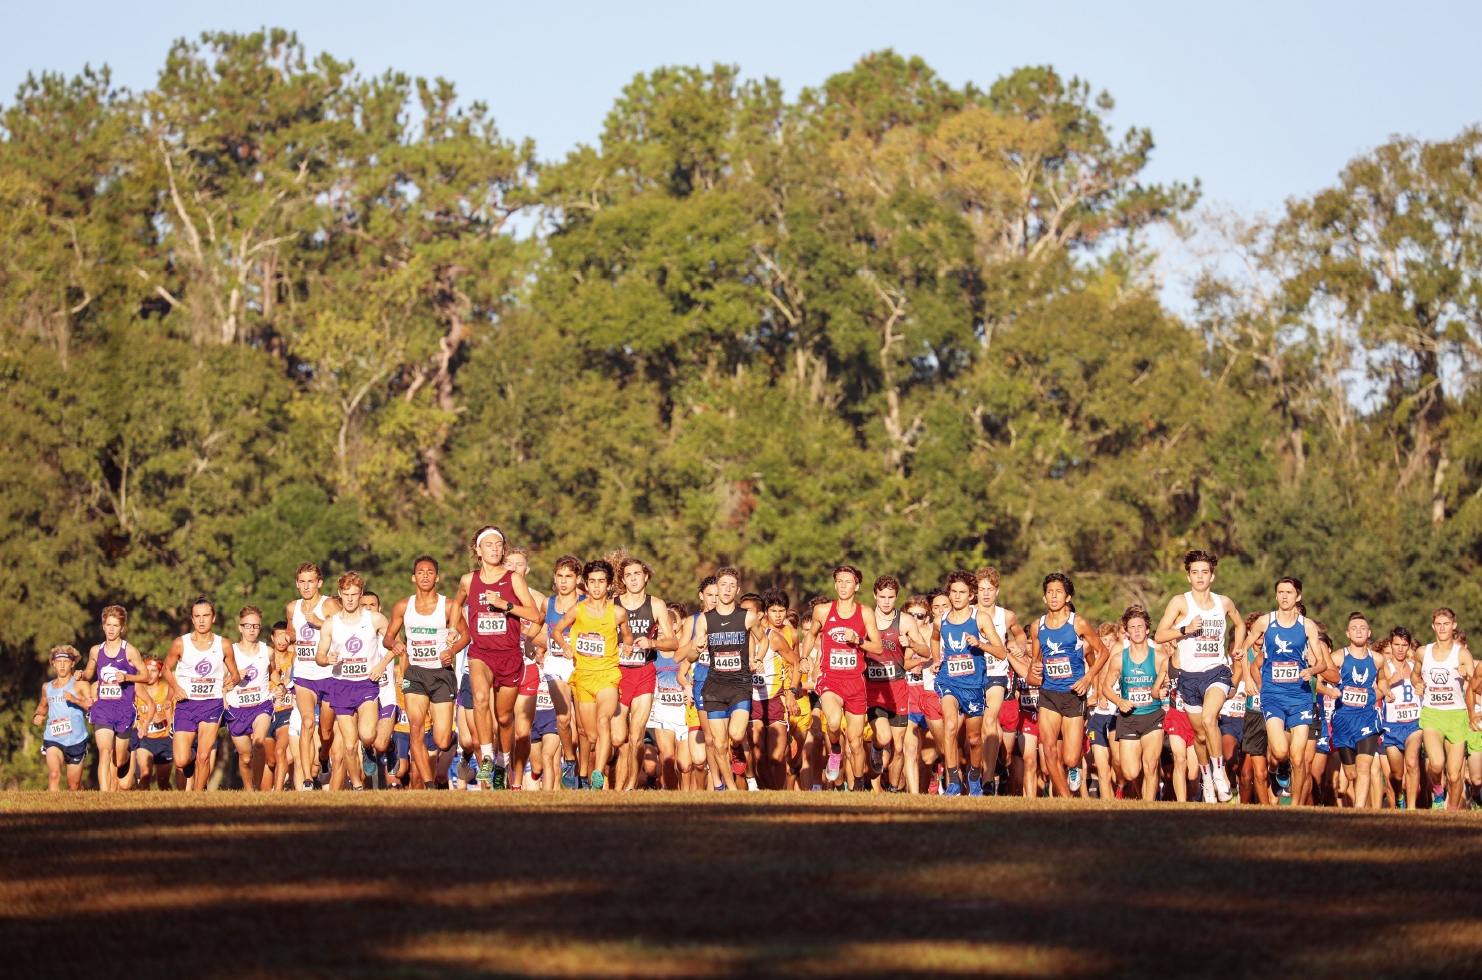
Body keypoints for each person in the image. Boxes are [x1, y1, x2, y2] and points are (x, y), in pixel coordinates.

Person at [453, 526, 542, 790]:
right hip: (480, 653)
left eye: (498, 545)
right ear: (477, 551)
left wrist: (507, 606)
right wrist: (454, 630)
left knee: (504, 718)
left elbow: (536, 615)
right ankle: (488, 756)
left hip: (510, 655)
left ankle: (503, 762)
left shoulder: (513, 579)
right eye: (488, 545)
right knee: (480, 698)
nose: (494, 549)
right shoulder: (468, 580)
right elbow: (456, 604)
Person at [1153, 550, 1246, 803]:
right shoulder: (1180, 602)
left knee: (1209, 717)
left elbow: (1240, 624)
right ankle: (1206, 779)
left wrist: (1238, 649)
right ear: (1189, 577)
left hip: (1216, 671)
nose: (1200, 577)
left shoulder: (1223, 602)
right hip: (1189, 677)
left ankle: (1219, 775)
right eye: (1195, 573)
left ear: (1212, 576)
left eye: (1204, 572)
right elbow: (1159, 635)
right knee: (1201, 736)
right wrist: (1184, 629)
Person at [382, 556, 468, 790]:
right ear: (414, 577)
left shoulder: (448, 606)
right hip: (415, 674)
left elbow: (466, 636)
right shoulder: (403, 606)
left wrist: (451, 650)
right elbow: (388, 637)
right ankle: (428, 783)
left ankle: (461, 745)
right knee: (416, 727)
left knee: (441, 739)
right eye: (421, 572)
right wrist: (395, 645)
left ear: (437, 577)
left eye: (430, 572)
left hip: (441, 674)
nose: (425, 576)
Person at [551, 559, 634, 790]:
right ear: (586, 584)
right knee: (590, 734)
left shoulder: (617, 613)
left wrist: (627, 644)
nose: (597, 586)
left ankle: (597, 774)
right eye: (592, 582)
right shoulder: (577, 610)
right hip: (583, 677)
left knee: (604, 720)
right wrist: (566, 646)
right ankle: (608, 757)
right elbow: (557, 631)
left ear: (608, 585)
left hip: (608, 675)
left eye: (601, 582)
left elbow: (627, 636)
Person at [1245, 578, 1329, 808]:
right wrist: (1246, 678)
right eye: (1280, 592)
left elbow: (1323, 664)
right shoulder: (1265, 622)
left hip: (1300, 697)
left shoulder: (1307, 626)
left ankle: (1296, 806)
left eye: (1289, 592)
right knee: (1281, 751)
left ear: (1297, 596)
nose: (1284, 596)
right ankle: (1282, 766)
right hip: (1272, 695)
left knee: (1299, 756)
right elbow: (1243, 649)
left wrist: (1311, 669)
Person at [1027, 573, 1108, 799]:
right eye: (1050, 592)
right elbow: (1036, 661)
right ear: (1044, 597)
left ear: (1068, 596)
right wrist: (1035, 668)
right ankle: (1065, 799)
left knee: (1071, 757)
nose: (1054, 596)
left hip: (1073, 694)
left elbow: (1103, 652)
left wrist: (1088, 677)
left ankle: (1074, 768)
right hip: (1049, 694)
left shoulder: (1078, 623)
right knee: (1049, 750)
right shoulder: (1037, 626)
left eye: (1059, 592)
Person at [933, 570, 1008, 796]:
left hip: (974, 686)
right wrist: (937, 659)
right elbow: (935, 637)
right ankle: (953, 779)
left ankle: (974, 775)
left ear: (971, 595)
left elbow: (1001, 652)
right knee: (950, 726)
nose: (957, 597)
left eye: (962, 592)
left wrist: (980, 644)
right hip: (949, 682)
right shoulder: (941, 620)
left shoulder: (980, 619)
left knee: (974, 739)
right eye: (953, 592)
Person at [316, 572, 392, 791]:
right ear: (339, 594)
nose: (350, 599)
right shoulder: (331, 624)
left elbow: (396, 645)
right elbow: (319, 655)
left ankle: (368, 748)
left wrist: (381, 664)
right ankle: (358, 787)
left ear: (360, 594)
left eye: (354, 594)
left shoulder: (375, 619)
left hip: (366, 684)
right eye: (346, 594)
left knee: (367, 735)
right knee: (349, 744)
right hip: (340, 685)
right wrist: (325, 659)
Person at [811, 565, 884, 791]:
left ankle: (858, 786)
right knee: (832, 721)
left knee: (856, 741)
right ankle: (834, 750)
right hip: (831, 678)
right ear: (835, 584)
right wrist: (805, 657)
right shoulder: (823, 611)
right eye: (839, 581)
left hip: (855, 681)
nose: (843, 586)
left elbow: (878, 648)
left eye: (848, 581)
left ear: (857, 586)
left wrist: (858, 641)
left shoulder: (865, 613)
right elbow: (811, 634)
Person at [691, 567, 763, 791]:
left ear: (737, 590)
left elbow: (764, 640)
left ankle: (738, 747)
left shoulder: (747, 617)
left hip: (740, 684)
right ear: (717, 587)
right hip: (714, 686)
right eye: (724, 585)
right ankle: (731, 788)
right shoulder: (704, 620)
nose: (727, 589)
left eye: (732, 586)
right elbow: (692, 655)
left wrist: (757, 658)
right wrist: (697, 647)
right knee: (718, 743)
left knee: (736, 734)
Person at [613, 557, 677, 791]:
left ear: (646, 576)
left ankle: (629, 785)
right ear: (623, 579)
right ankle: (618, 783)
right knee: (619, 738)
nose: (633, 579)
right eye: (628, 575)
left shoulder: (657, 605)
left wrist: (651, 643)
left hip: (644, 673)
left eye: (637, 574)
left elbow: (673, 642)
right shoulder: (613, 604)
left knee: (637, 733)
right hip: (618, 674)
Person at [164, 597, 238, 792]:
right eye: (197, 616)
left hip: (211, 704)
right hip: (186, 704)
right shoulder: (181, 643)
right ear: (192, 619)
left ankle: (198, 797)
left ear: (213, 618)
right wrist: (176, 687)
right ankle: (190, 762)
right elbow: (165, 669)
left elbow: (235, 674)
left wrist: (233, 681)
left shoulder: (224, 644)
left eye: (206, 615)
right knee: (180, 760)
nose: (202, 620)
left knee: (205, 756)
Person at [1320, 612, 1390, 809]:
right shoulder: (1339, 657)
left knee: (1364, 766)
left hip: (1367, 718)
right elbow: (1320, 678)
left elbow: (1382, 680)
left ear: (1369, 633)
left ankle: (1359, 811)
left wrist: (1382, 692)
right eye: (1354, 628)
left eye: (1362, 628)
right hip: (1342, 720)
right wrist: (1328, 690)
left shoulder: (1377, 660)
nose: (1358, 631)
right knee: (1351, 774)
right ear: (1348, 634)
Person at [1102, 605, 1169, 802]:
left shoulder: (1159, 657)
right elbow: (1106, 687)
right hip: (1129, 717)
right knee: (1131, 772)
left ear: (1147, 629)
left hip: (1152, 715)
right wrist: (1119, 701)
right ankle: (1143, 796)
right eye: (1133, 627)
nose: (1137, 631)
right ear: (1127, 631)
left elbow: (1170, 683)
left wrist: (1163, 690)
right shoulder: (1118, 659)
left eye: (1141, 626)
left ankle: (1149, 806)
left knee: (1150, 764)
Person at [80, 605, 147, 792]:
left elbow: (146, 676)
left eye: (115, 625)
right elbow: (89, 672)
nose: (111, 629)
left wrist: (127, 677)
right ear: (103, 626)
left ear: (122, 628)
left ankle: (127, 756)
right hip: (103, 708)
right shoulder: (95, 651)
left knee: (118, 758)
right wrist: (81, 676)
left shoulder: (130, 651)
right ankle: (103, 795)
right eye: (108, 625)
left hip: (124, 708)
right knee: (104, 752)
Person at [288, 563, 342, 790]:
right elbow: (293, 632)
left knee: (326, 732)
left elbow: (346, 630)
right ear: (297, 583)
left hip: (329, 675)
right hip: (304, 675)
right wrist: (286, 637)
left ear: (319, 582)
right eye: (302, 581)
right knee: (307, 722)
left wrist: (321, 623)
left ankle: (323, 758)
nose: (306, 586)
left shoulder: (328, 604)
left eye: (311, 581)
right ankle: (307, 780)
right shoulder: (292, 607)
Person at [975, 568, 1029, 794]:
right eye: (981, 589)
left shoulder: (1006, 615)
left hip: (997, 673)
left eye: (990, 589)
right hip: (973, 676)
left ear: (997, 591)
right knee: (974, 732)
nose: (986, 594)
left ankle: (987, 781)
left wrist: (1019, 647)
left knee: (990, 720)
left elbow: (1020, 634)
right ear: (974, 591)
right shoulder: (967, 613)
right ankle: (988, 765)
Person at [1416, 606, 1475, 810]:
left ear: (1454, 626)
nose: (1442, 628)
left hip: (1457, 716)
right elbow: (1416, 674)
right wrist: (1417, 683)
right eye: (1438, 624)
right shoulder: (1423, 652)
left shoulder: (1462, 653)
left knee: (1455, 774)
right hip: (1432, 713)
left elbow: (1477, 684)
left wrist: (1467, 674)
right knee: (1437, 763)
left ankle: (1452, 813)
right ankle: (1439, 791)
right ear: (1433, 626)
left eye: (1446, 624)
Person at [540, 555, 584, 789]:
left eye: (568, 576)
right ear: (554, 579)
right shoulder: (548, 603)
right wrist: (535, 646)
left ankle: (583, 772)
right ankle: (568, 759)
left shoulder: (587, 602)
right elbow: (539, 628)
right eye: (560, 576)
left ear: (577, 579)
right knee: (564, 718)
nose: (564, 581)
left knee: (583, 731)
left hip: (583, 667)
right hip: (555, 665)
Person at [751, 588, 799, 790]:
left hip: (774, 699)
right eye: (774, 611)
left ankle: (776, 791)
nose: (778, 615)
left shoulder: (776, 638)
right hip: (751, 700)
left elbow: (795, 663)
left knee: (776, 757)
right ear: (764, 613)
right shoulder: (744, 636)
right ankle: (772, 794)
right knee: (758, 754)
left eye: (782, 611)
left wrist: (792, 692)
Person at [865, 576, 910, 791]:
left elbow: (926, 650)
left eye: (890, 597)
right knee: (883, 737)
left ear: (896, 597)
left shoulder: (905, 620)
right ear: (875, 595)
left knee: (899, 746)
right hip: (874, 689)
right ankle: (875, 747)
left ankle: (894, 788)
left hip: (898, 688)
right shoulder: (865, 619)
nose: (886, 601)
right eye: (882, 597)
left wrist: (911, 643)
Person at [223, 606, 275, 791]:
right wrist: (232, 678)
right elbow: (220, 681)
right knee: (245, 757)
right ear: (240, 628)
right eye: (248, 626)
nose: (252, 629)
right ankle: (249, 789)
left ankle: (258, 788)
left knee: (259, 742)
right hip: (237, 710)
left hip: (261, 705)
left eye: (256, 626)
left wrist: (280, 686)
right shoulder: (231, 653)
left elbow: (274, 673)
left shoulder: (267, 651)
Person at [677, 576, 721, 788]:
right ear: (701, 596)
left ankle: (719, 787)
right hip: (700, 687)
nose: (714, 599)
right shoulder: (692, 622)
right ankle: (706, 790)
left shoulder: (730, 619)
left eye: (717, 594)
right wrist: (696, 644)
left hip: (726, 687)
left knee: (721, 742)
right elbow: (679, 655)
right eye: (709, 595)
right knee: (701, 756)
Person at [31, 645, 92, 791]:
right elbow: (42, 706)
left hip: (76, 739)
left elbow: (92, 709)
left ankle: (81, 802)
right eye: (59, 661)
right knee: (53, 775)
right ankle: (53, 812)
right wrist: (37, 716)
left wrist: (75, 700)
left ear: (72, 664)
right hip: (54, 738)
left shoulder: (80, 685)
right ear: (53, 663)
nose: (62, 665)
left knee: (74, 785)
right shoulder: (47, 687)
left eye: (66, 661)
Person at [130, 654, 174, 790]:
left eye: (153, 671)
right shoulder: (136, 690)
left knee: (163, 783)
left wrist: (164, 717)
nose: (149, 674)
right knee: (145, 774)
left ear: (160, 673)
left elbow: (179, 713)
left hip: (165, 739)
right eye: (146, 670)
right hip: (145, 740)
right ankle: (142, 809)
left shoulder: (167, 689)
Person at [267, 622, 297, 791]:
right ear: (272, 637)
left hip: (287, 711)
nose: (281, 641)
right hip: (267, 713)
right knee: (271, 760)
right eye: (277, 636)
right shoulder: (265, 657)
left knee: (281, 751)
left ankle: (278, 792)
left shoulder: (294, 657)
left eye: (284, 636)